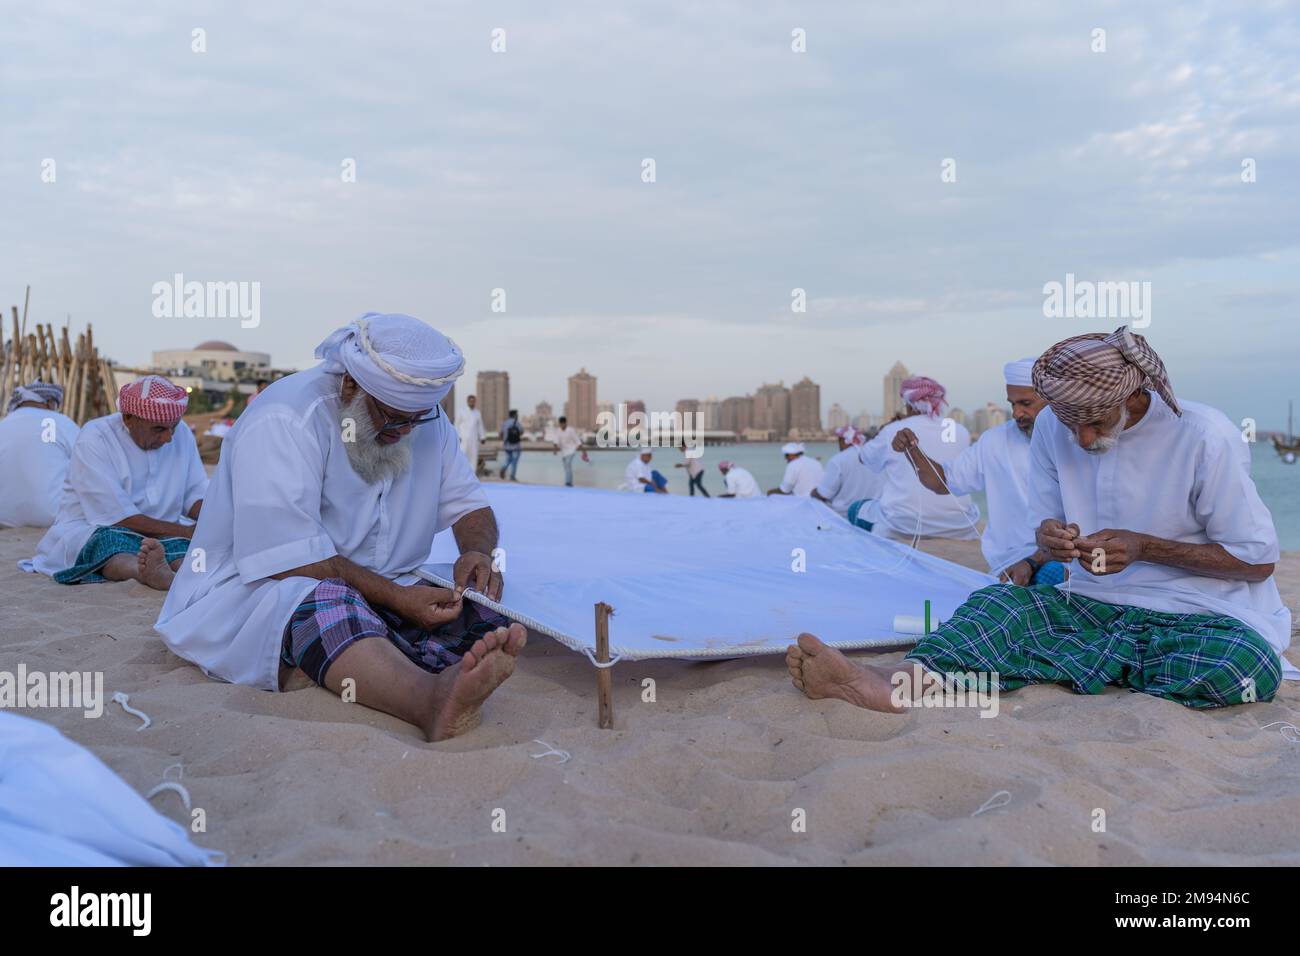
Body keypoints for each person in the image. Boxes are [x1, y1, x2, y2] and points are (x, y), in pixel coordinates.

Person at [787, 327, 1291, 712]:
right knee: (996, 609)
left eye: (1096, 423)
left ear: (1136, 396)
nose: (1084, 441)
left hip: (1201, 614)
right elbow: (1047, 528)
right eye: (1073, 425)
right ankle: (885, 684)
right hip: (1094, 605)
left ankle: (1072, 664)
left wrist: (1145, 547)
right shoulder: (1053, 425)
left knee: (1240, 665)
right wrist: (1051, 541)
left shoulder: (1205, 436)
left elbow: (1258, 562)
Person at [155, 313, 525, 742]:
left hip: (386, 588)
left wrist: (475, 552)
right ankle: (426, 698)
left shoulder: (425, 421)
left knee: (482, 608)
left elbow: (470, 506)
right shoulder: (285, 417)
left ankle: (370, 662)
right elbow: (291, 559)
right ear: (351, 385)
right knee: (325, 603)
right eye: (391, 417)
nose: (403, 432)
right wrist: (400, 600)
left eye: (415, 419)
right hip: (263, 590)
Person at [889, 359, 1063, 585]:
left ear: (1052, 398)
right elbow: (942, 482)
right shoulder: (995, 440)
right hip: (1014, 562)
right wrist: (912, 450)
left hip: (1061, 557)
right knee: (1054, 580)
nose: (1017, 413)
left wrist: (1035, 560)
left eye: (1026, 403)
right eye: (1012, 404)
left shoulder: (1076, 438)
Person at [29, 375, 207, 591]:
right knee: (112, 544)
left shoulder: (183, 435)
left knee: (186, 547)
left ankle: (176, 573)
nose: (169, 438)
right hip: (98, 527)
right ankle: (143, 573)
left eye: (174, 427)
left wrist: (213, 518)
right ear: (128, 418)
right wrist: (186, 531)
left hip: (167, 532)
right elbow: (114, 516)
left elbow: (195, 493)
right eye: (159, 429)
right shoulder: (96, 437)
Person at [847, 375, 980, 540]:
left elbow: (864, 458)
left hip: (904, 525)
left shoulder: (894, 429)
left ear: (909, 404)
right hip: (960, 525)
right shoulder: (959, 430)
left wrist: (887, 428)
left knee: (855, 509)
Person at [0, 381, 79, 528]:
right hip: (51, 518)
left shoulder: (3, 424)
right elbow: (89, 466)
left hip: (3, 518)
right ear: (49, 403)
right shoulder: (62, 423)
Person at [812, 426, 882, 518]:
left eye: (839, 441)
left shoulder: (838, 460)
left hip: (843, 519)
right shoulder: (876, 457)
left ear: (844, 441)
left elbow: (823, 494)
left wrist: (813, 492)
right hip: (872, 518)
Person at [458, 394, 485, 474]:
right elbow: (456, 425)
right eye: (470, 401)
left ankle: (472, 476)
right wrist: (458, 436)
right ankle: (462, 475)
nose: (472, 403)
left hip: (474, 439)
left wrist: (482, 437)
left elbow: (480, 425)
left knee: (473, 458)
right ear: (467, 402)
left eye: (473, 401)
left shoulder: (477, 413)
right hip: (463, 439)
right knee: (462, 457)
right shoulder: (461, 412)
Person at [553, 415, 582, 486]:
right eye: (561, 423)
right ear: (559, 424)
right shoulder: (558, 431)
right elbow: (556, 441)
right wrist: (555, 450)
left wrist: (581, 448)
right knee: (566, 467)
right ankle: (570, 482)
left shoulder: (570, 430)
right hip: (563, 452)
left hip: (571, 450)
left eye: (563, 423)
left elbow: (577, 440)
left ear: (566, 423)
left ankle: (567, 482)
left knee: (568, 464)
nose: (562, 425)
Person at [499, 408, 522, 481]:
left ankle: (503, 468)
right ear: (515, 415)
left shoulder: (505, 423)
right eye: (517, 414)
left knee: (508, 460)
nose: (517, 416)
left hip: (507, 445)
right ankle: (512, 477)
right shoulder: (517, 423)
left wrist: (504, 440)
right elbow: (521, 431)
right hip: (516, 446)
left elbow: (501, 434)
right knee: (514, 462)